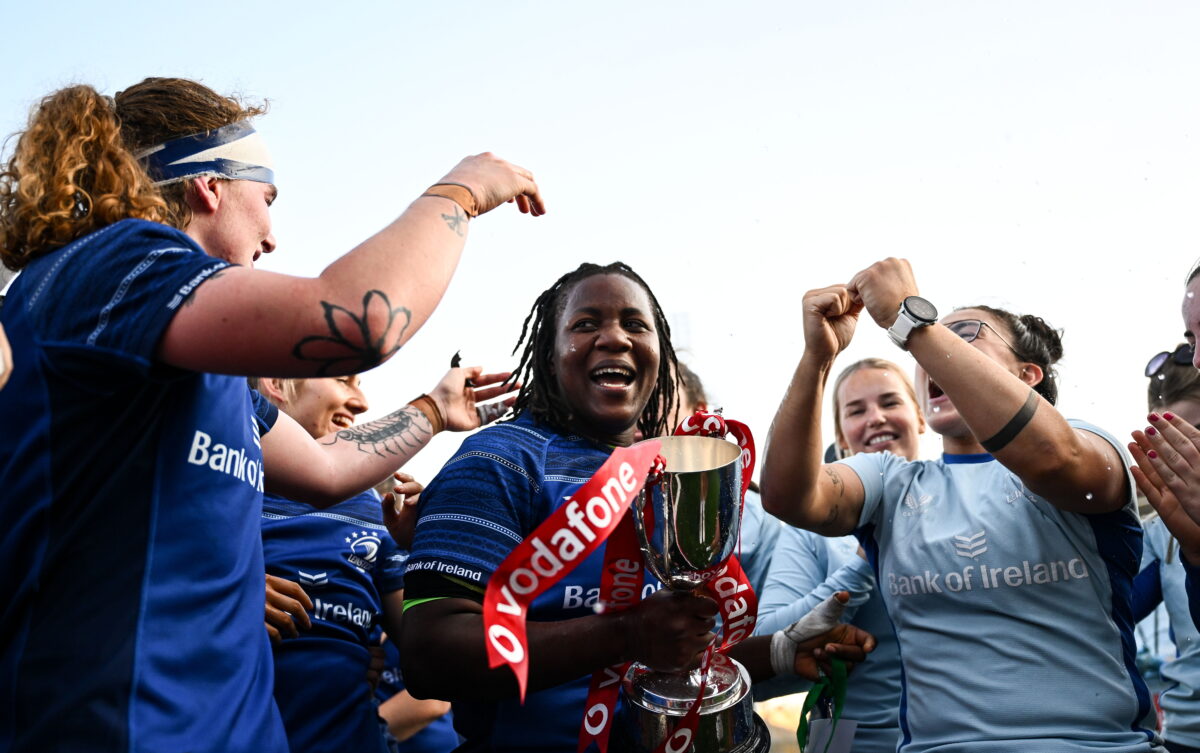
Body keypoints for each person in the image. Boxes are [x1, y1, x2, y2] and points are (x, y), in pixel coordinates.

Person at [0, 77, 543, 753]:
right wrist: (458, 191)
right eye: (267, 199)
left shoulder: (190, 364)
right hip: (122, 728)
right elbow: (361, 319)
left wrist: (433, 409)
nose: (273, 235)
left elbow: (324, 466)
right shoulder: (117, 264)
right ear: (209, 186)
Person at [400, 262, 875, 752]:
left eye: (635, 324)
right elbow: (430, 654)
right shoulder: (498, 458)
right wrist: (626, 632)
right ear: (549, 352)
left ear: (658, 351)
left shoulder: (668, 472)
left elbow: (664, 649)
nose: (615, 338)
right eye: (585, 324)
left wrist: (776, 652)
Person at [761, 257, 1162, 752]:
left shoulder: (1087, 441)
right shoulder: (890, 482)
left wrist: (910, 319)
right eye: (926, 342)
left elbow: (1056, 460)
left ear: (1028, 374)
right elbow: (788, 497)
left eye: (963, 333)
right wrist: (817, 358)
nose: (931, 349)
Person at [255, 372, 507, 753]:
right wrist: (230, 592)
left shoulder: (371, 507)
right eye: (343, 380)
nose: (362, 403)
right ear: (277, 382)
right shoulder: (214, 478)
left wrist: (432, 544)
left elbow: (436, 658)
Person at [753, 358, 914, 752]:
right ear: (841, 439)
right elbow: (762, 647)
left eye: (890, 402)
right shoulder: (811, 534)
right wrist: (862, 564)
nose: (875, 418)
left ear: (921, 418)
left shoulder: (960, 511)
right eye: (856, 410)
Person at [1129, 345, 1200, 753]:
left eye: (1196, 431)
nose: (1183, 453)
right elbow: (1109, 608)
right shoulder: (1162, 533)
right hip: (1186, 735)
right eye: (1165, 438)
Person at [671, 361, 781, 595]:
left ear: (698, 413)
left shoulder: (755, 519)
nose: (641, 409)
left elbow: (767, 617)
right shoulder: (598, 503)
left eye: (658, 393)